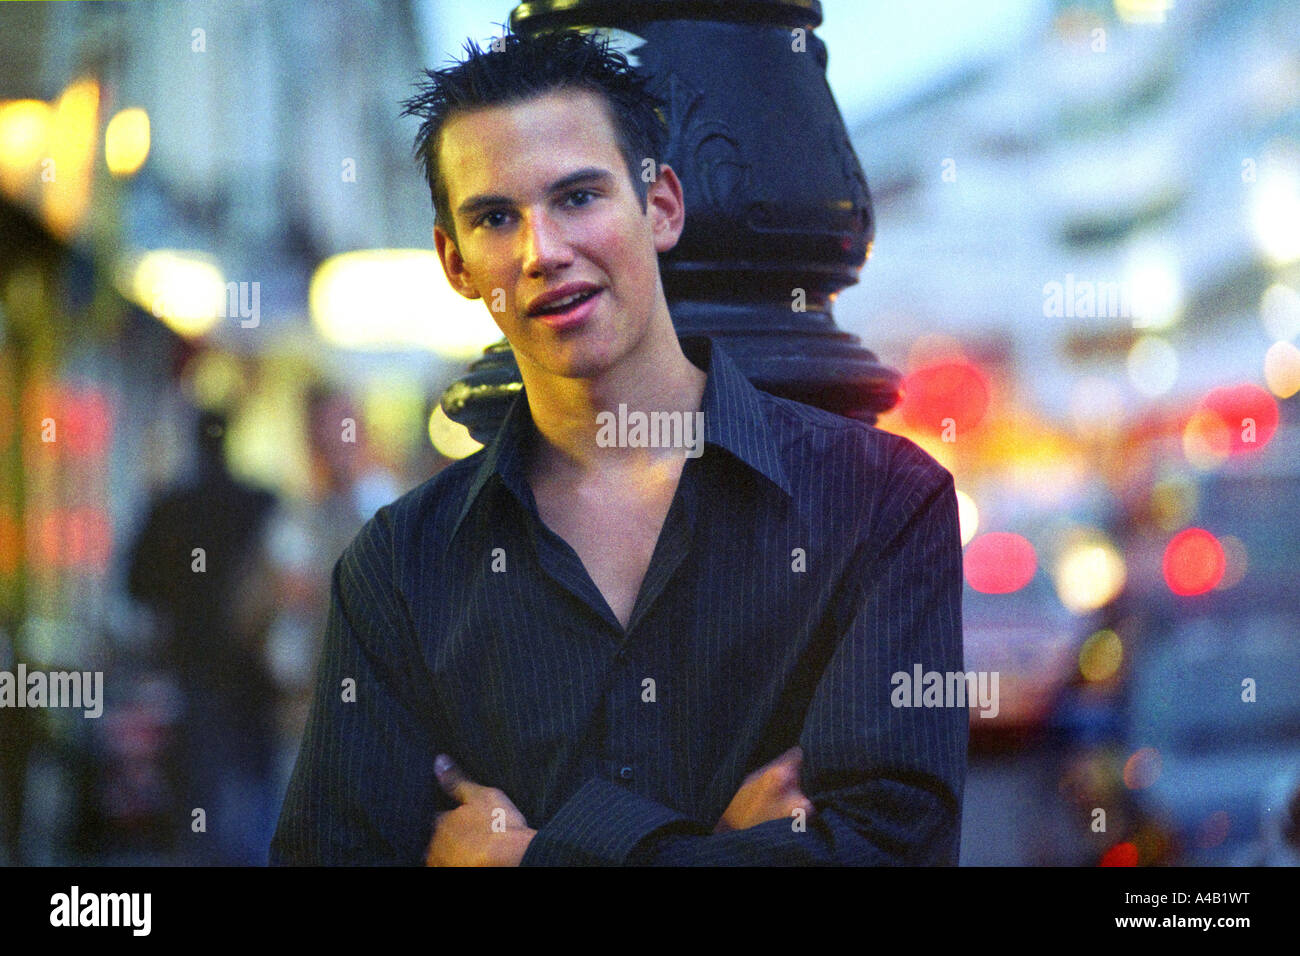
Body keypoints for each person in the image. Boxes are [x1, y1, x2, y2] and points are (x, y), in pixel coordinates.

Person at [270, 28, 966, 866]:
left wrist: (532, 860)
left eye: (578, 197)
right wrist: (724, 852)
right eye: (496, 217)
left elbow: (886, 852)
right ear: (454, 262)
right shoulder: (400, 568)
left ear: (662, 206)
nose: (543, 252)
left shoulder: (880, 504)